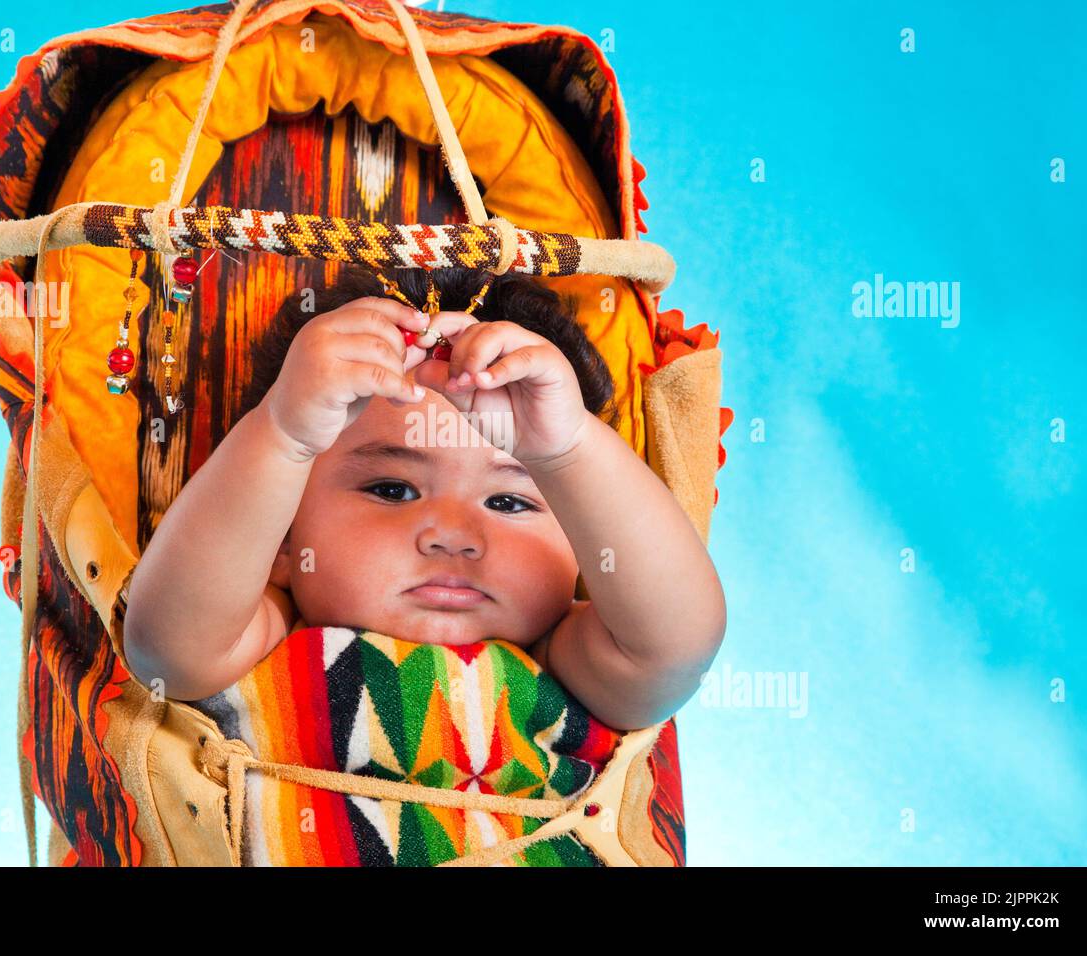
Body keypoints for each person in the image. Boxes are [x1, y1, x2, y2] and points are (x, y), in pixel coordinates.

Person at [123, 265, 726, 731]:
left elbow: (676, 647)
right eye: (392, 489)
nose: (452, 536)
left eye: (510, 502)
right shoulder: (263, 641)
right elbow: (165, 651)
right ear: (282, 541)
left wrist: (567, 449)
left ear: (582, 549)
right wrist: (283, 433)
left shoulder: (570, 662)